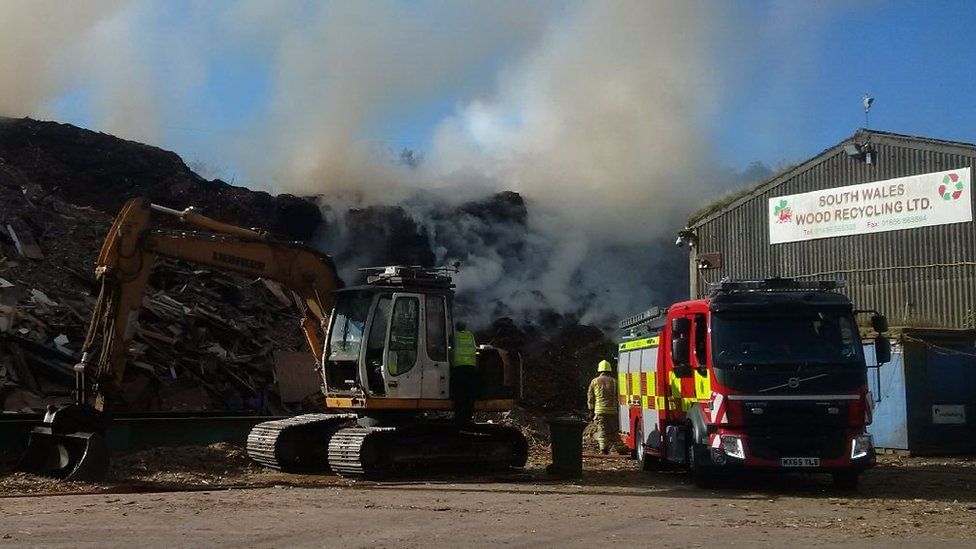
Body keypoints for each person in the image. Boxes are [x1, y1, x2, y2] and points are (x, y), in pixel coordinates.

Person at [588, 359, 619, 454]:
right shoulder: (615, 381)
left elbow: (590, 396)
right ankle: (620, 448)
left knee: (602, 430)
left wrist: (591, 409)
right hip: (613, 410)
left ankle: (603, 449)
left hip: (600, 410)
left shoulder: (594, 381)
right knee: (614, 430)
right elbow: (618, 395)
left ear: (599, 370)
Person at [450, 321, 478, 425]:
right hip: (471, 368)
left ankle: (459, 418)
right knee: (469, 394)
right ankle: (468, 417)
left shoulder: (454, 336)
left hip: (459, 368)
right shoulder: (470, 335)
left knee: (459, 395)